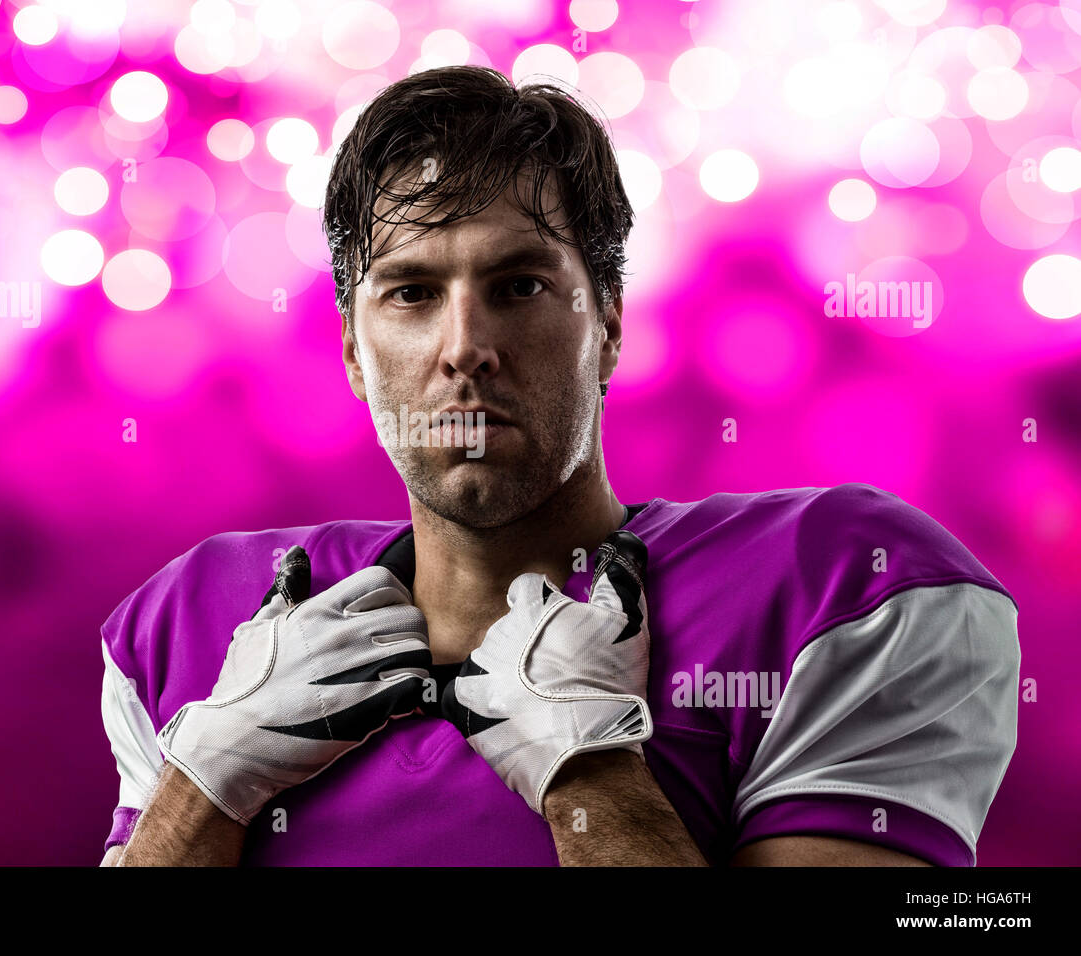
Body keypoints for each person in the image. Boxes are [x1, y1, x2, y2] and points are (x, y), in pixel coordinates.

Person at [99, 66, 1019, 866]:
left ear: (608, 322)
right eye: (412, 293)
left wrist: (592, 770)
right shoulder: (195, 622)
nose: (466, 347)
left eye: (521, 286)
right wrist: (202, 779)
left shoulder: (839, 585)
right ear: (352, 348)